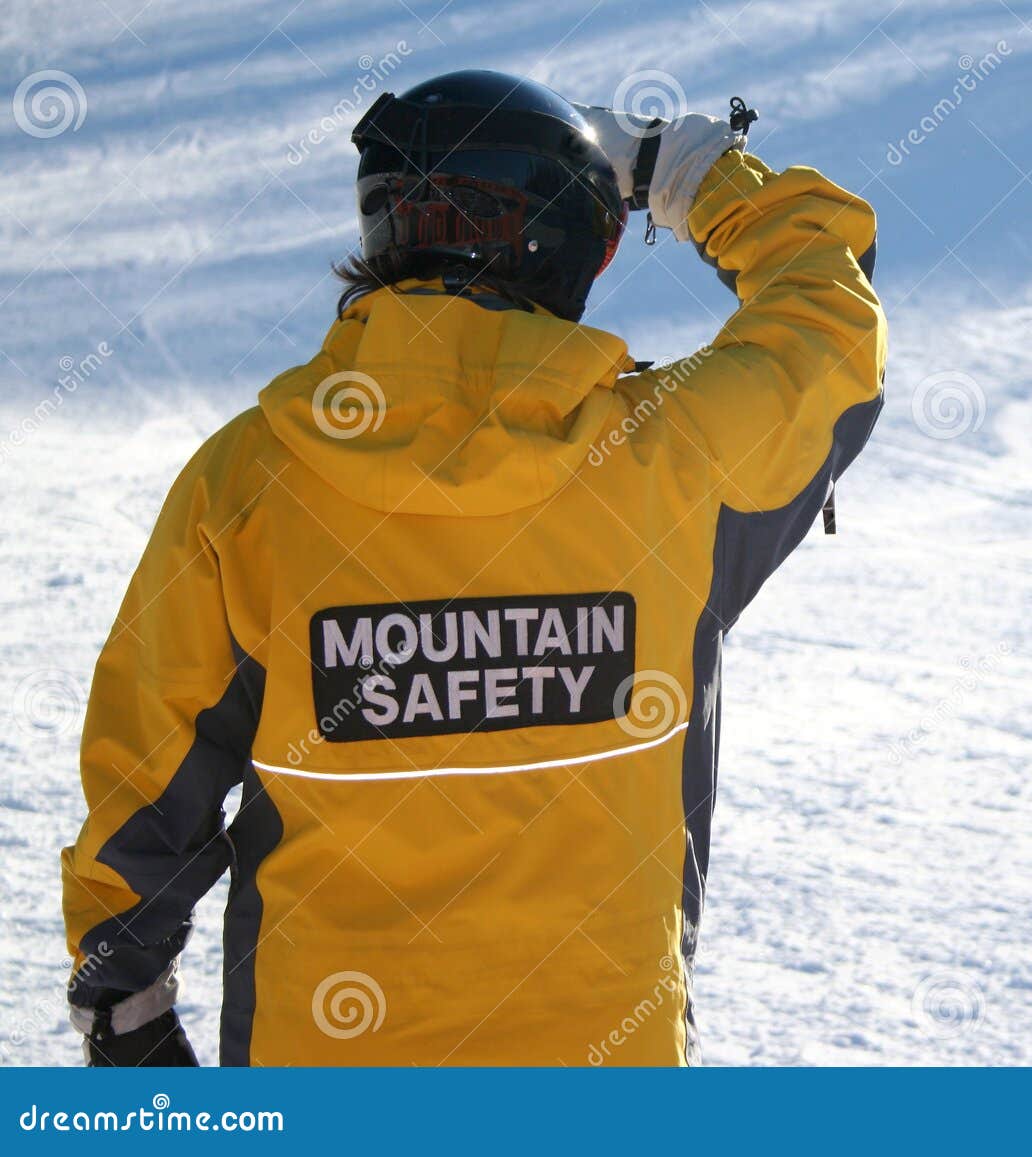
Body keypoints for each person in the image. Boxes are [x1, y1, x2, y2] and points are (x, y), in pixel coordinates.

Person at [60, 69, 886, 1066]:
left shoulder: (254, 475)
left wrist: (126, 1000)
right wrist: (696, 174)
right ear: (572, 245)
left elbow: (148, 771)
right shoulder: (674, 460)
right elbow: (831, 318)